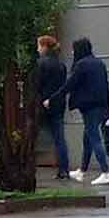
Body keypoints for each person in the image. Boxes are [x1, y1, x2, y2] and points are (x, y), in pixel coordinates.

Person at [45, 37, 109, 186]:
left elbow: (69, 85)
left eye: (74, 49)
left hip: (89, 107)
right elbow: (106, 87)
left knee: (94, 138)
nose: (72, 51)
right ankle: (82, 171)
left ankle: (106, 172)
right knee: (88, 138)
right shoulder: (99, 63)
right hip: (101, 106)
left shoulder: (81, 65)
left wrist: (52, 99)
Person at [36, 35, 70, 180]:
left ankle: (27, 167)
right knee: (59, 138)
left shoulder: (40, 64)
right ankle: (64, 169)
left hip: (43, 104)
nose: (37, 49)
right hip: (58, 104)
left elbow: (37, 84)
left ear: (44, 47)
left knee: (32, 135)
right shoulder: (60, 65)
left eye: (38, 46)